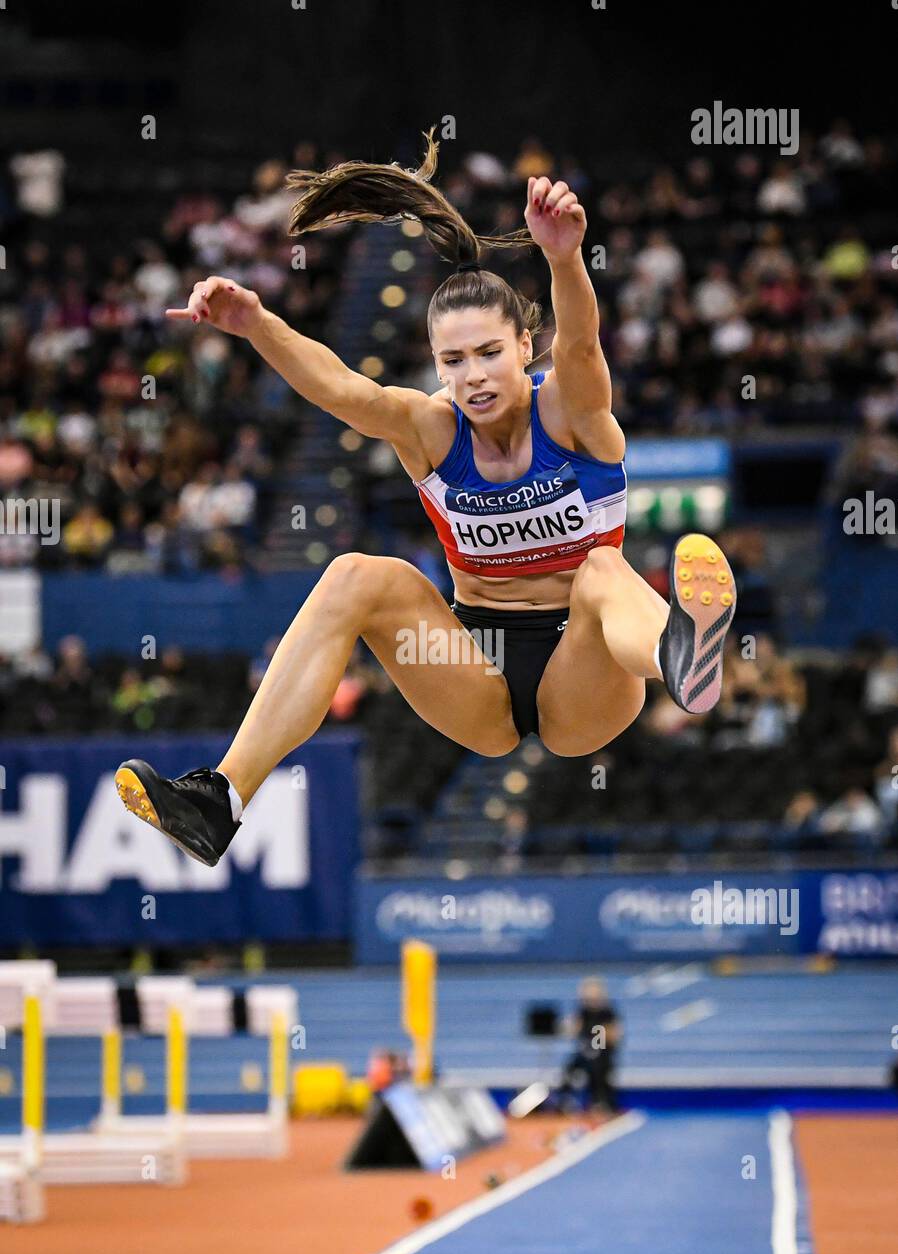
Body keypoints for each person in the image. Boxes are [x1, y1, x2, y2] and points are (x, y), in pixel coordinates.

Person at [114, 128, 737, 867]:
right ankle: (222, 798)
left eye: (487, 353)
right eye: (452, 360)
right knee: (356, 574)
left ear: (523, 347)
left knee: (602, 570)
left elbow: (581, 347)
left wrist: (563, 258)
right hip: (476, 676)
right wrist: (256, 324)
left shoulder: (571, 413)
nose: (471, 376)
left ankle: (682, 659)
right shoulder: (432, 430)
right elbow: (344, 390)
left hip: (587, 676)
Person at [559, 977, 622, 1114]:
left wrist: (599, 1037)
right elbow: (572, 1030)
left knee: (597, 1067)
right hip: (585, 1053)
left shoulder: (607, 1012)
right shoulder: (582, 1012)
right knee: (570, 1068)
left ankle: (600, 1102)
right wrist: (569, 1027)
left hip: (603, 1055)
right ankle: (566, 1100)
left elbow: (614, 1036)